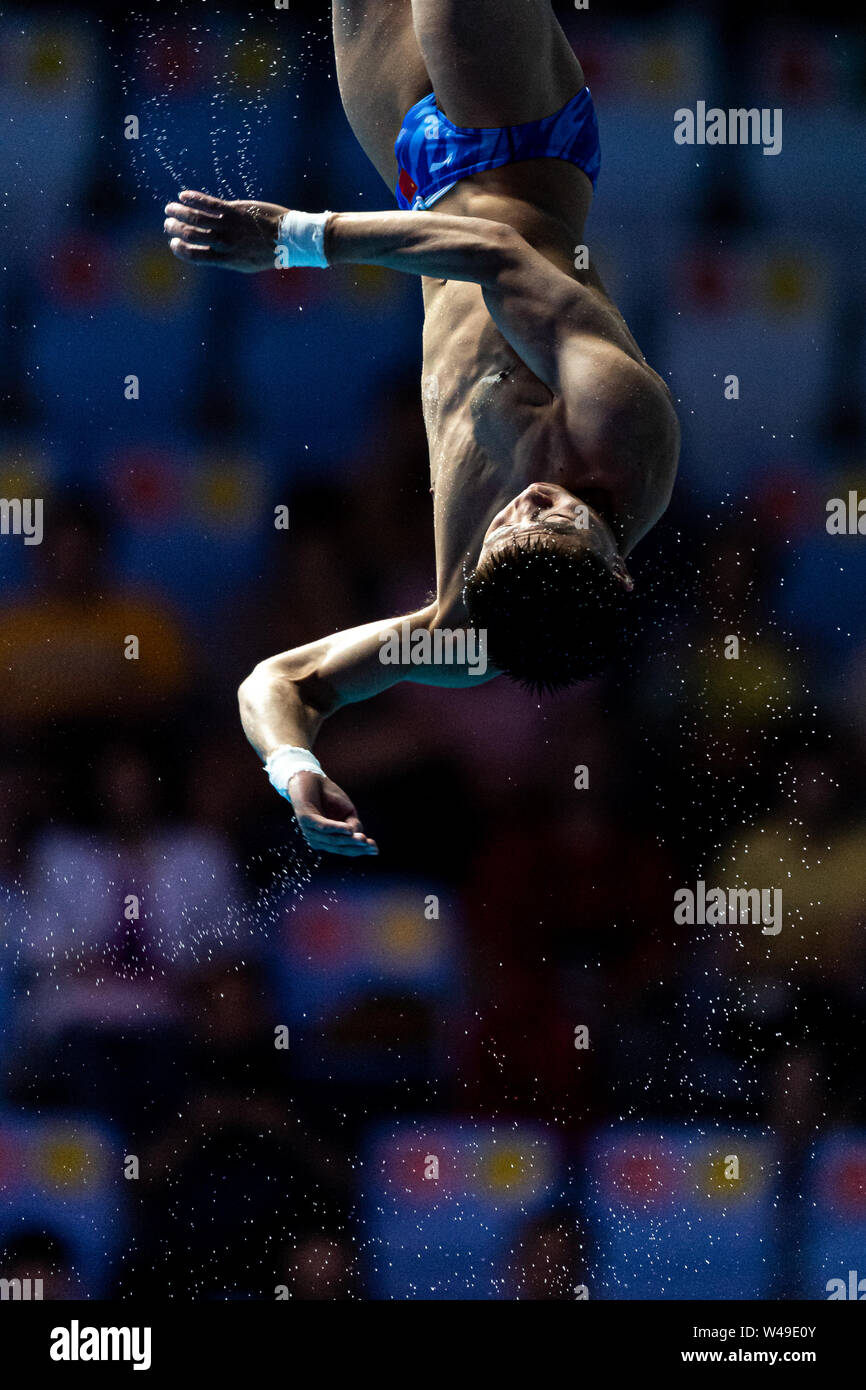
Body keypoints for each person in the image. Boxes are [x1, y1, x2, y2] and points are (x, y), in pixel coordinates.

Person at [163, 1, 679, 857]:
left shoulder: (464, 630)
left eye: (513, 527)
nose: (533, 502)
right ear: (618, 572)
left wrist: (292, 763)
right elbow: (494, 254)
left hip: (415, 175)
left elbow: (279, 680)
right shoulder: (626, 431)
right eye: (560, 518)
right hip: (519, 140)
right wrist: (296, 239)